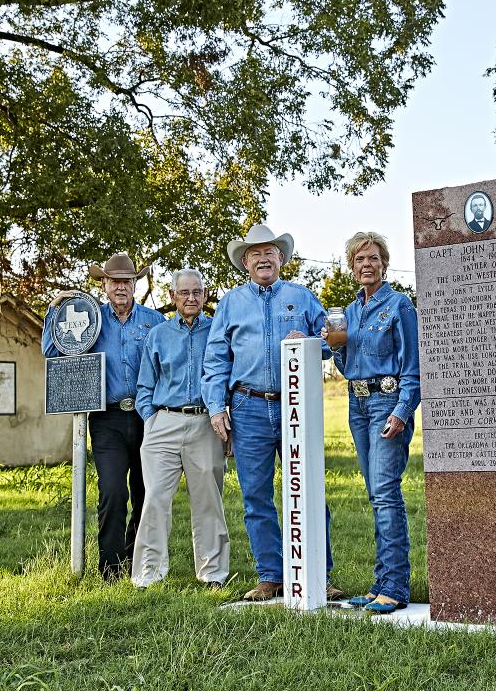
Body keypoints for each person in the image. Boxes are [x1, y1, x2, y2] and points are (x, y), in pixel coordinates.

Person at [202, 223, 345, 602]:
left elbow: (332, 340)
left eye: (269, 252)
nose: (263, 258)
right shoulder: (230, 303)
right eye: (255, 254)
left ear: (281, 258)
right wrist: (216, 407)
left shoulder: (302, 296)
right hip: (246, 406)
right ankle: (271, 576)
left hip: (296, 402)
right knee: (256, 496)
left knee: (310, 489)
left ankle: (319, 574)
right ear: (245, 262)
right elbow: (215, 359)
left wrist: (311, 339)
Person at [42, 254, 165, 581]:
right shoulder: (89, 320)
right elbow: (52, 351)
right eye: (114, 281)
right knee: (113, 492)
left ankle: (137, 561)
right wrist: (55, 309)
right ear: (104, 285)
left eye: (127, 281)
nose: (121, 287)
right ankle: (111, 569)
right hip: (107, 419)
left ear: (135, 284)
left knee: (146, 492)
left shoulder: (155, 322)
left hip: (148, 416)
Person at [322, 232, 420, 614]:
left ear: (384, 264)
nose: (367, 264)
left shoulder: (399, 306)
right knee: (375, 494)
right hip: (356, 405)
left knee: (385, 492)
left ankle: (394, 587)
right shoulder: (349, 310)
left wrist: (402, 411)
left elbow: (413, 367)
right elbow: (346, 365)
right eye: (360, 259)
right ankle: (380, 585)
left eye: (373, 258)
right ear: (352, 266)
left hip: (386, 403)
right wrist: (335, 346)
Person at [132, 268, 230, 589]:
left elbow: (227, 377)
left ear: (204, 295)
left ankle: (212, 573)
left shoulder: (217, 330)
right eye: (184, 292)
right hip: (164, 423)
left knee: (208, 501)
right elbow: (145, 385)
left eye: (197, 292)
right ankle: (149, 573)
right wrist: (152, 420)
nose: (191, 298)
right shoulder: (158, 334)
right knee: (155, 499)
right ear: (173, 296)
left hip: (206, 422)